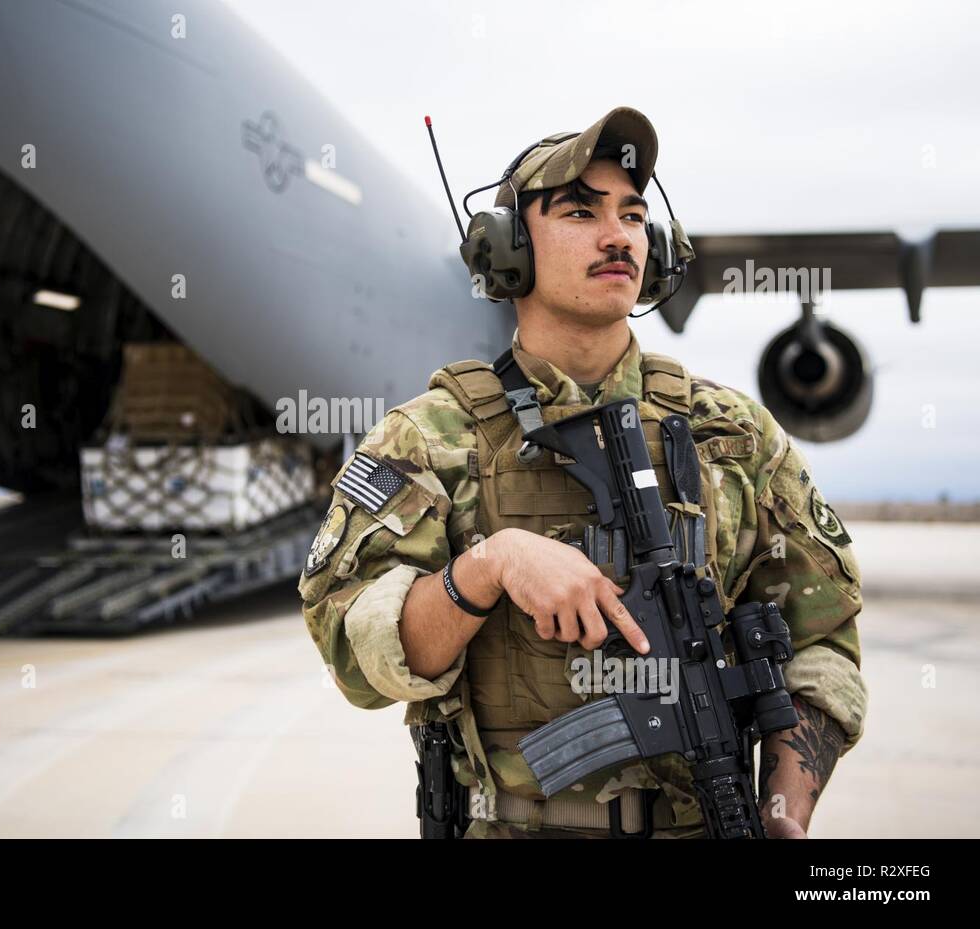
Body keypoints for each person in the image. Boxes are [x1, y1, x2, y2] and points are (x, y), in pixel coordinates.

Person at [298, 106, 867, 839]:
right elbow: (353, 656)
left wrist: (784, 811)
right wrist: (488, 566)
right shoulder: (429, 439)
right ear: (506, 251)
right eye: (579, 210)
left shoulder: (734, 436)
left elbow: (824, 638)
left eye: (634, 215)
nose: (617, 235)